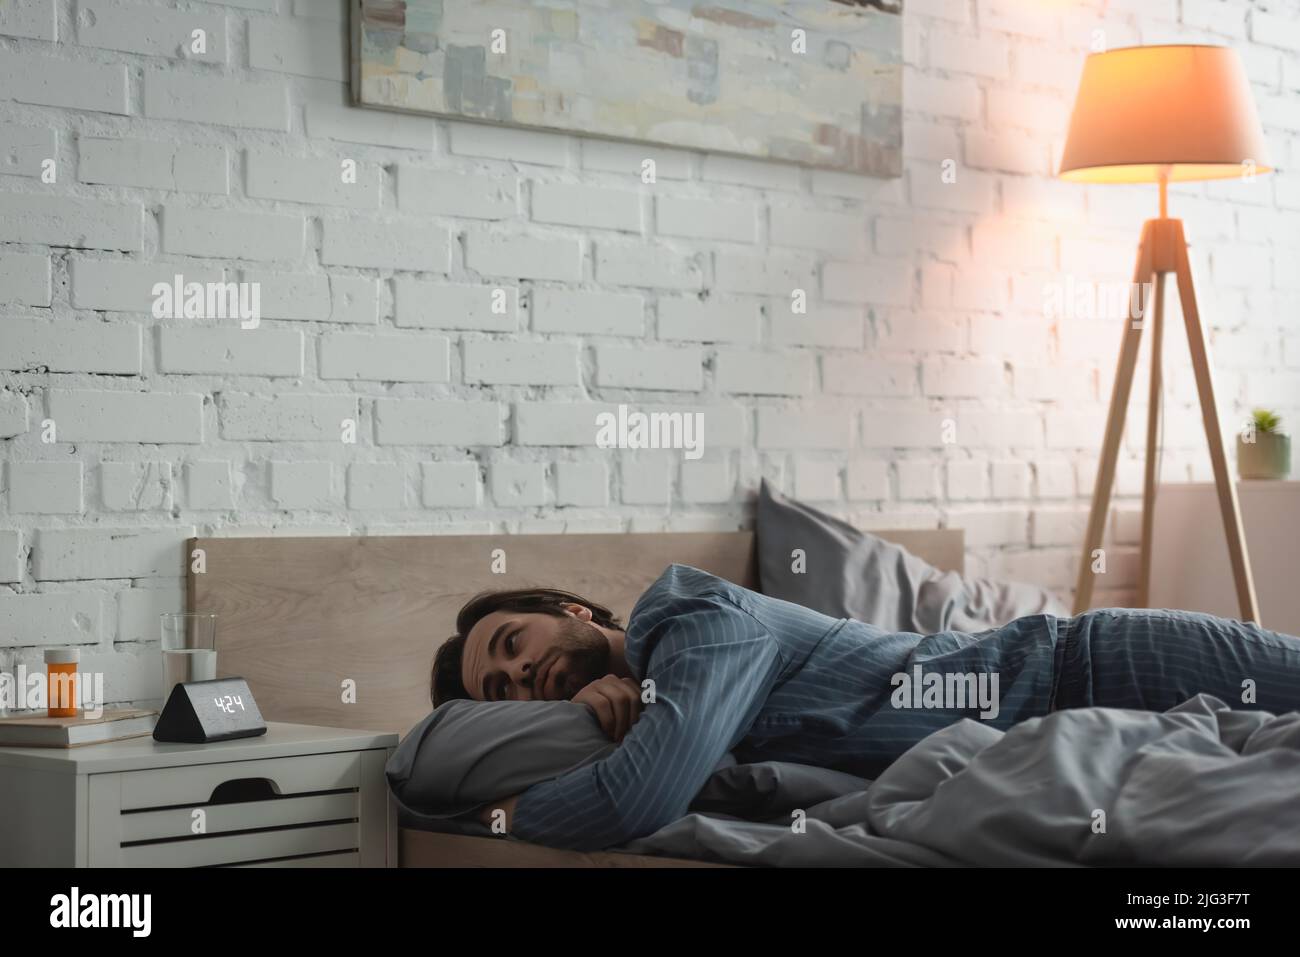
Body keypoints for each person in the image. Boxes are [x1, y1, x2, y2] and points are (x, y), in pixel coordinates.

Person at [429, 563, 1300, 851]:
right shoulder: (637, 707)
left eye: (514, 643)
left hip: (1100, 662)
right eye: (501, 692)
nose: (524, 673)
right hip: (1079, 733)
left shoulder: (689, 619)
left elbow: (638, 798)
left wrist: (505, 814)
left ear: (570, 613)